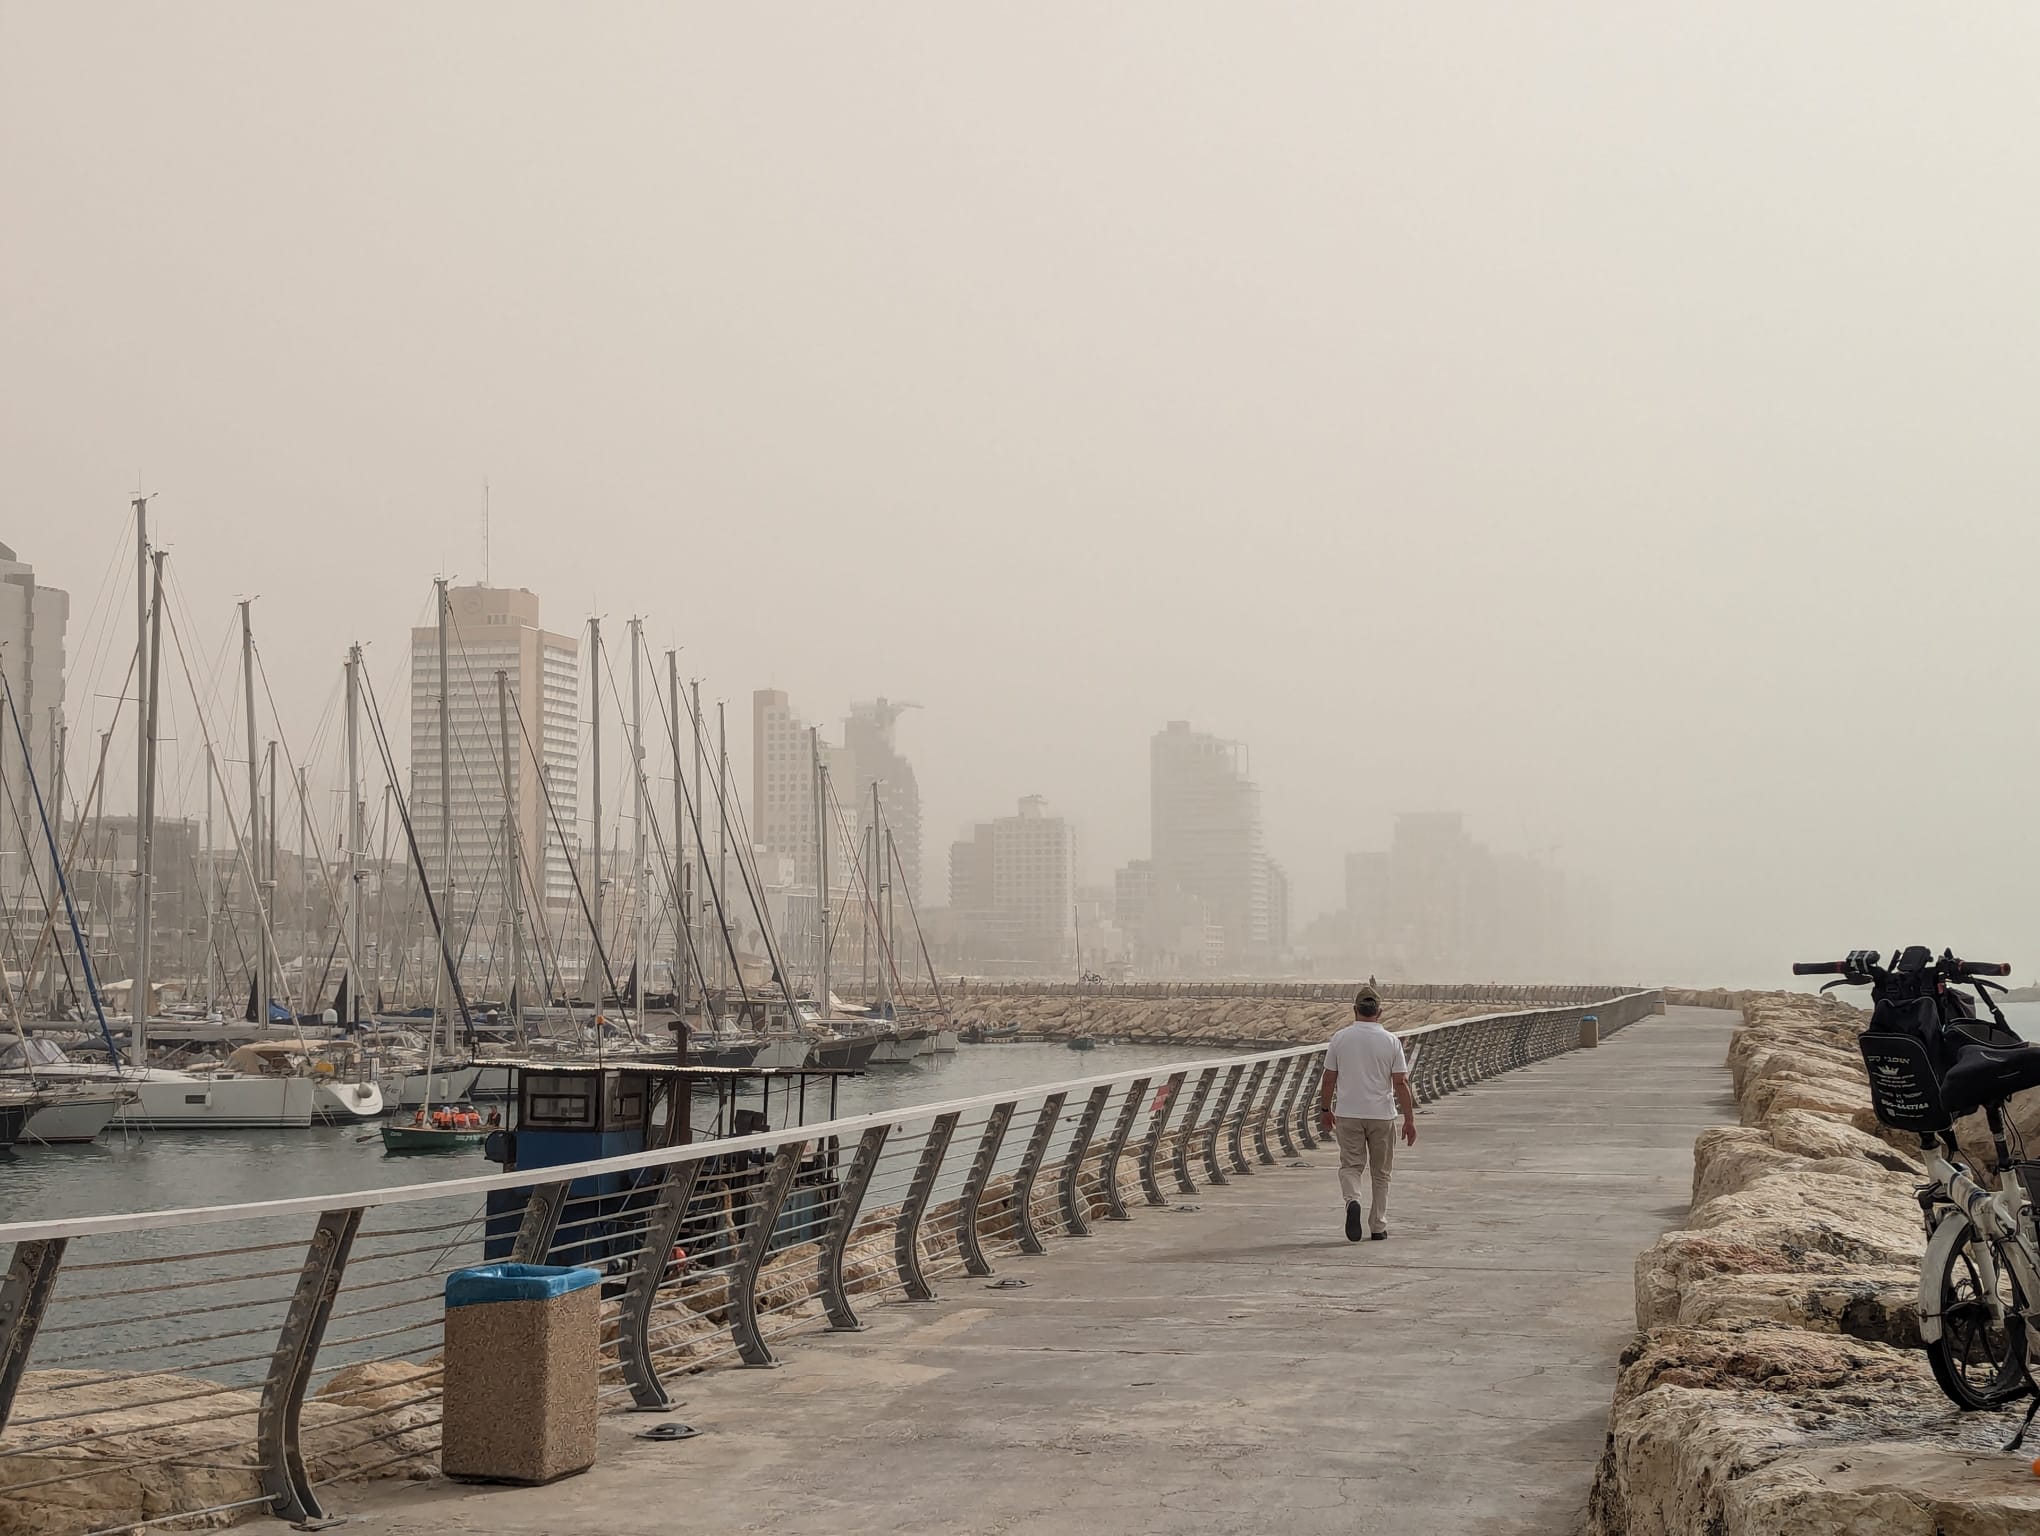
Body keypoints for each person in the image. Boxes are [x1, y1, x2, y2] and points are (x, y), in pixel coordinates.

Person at [1317, 984, 1417, 1242]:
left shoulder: (1340, 1038)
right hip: (1382, 1114)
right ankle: (1378, 1226)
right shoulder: (1391, 1041)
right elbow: (1401, 1082)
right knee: (1381, 1172)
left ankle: (1353, 1200)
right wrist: (1409, 1119)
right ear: (1379, 1012)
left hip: (1348, 1113)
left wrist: (1326, 1109)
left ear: (1355, 1010)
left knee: (1351, 1165)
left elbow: (1328, 1078)